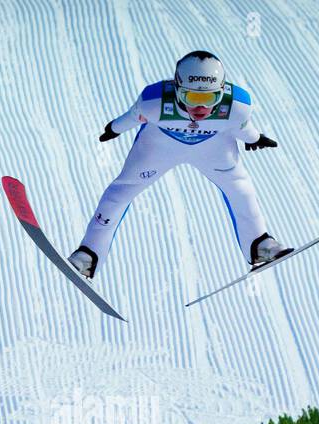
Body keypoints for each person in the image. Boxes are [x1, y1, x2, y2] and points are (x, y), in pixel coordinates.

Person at [69, 50, 291, 280]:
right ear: (176, 89)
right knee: (119, 193)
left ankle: (260, 244)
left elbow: (243, 127)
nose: (201, 108)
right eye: (192, 98)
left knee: (241, 189)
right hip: (160, 146)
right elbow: (132, 116)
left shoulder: (237, 105)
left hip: (213, 147)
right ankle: (89, 254)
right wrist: (114, 128)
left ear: (222, 92)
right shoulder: (154, 101)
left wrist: (254, 139)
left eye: (211, 98)